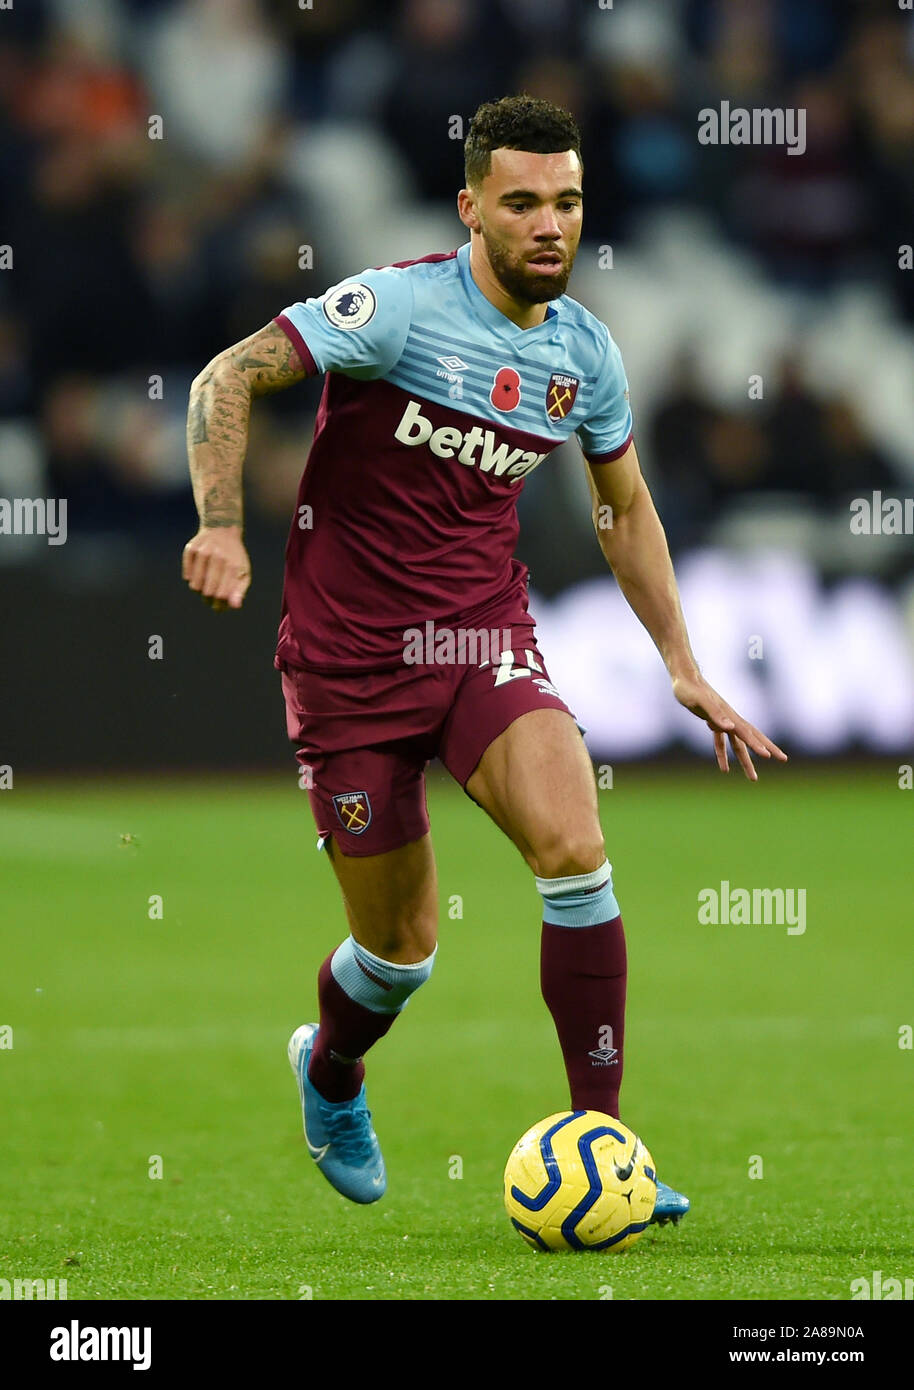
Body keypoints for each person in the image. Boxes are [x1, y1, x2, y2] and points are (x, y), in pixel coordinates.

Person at [182, 95, 787, 1226]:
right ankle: (331, 1069)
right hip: (346, 665)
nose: (547, 224)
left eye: (563, 202)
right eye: (520, 203)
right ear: (471, 209)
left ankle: (602, 1143)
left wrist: (680, 659)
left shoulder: (581, 352)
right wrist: (220, 521)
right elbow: (227, 377)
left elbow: (623, 507)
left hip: (479, 643)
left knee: (575, 848)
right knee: (399, 951)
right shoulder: (396, 310)